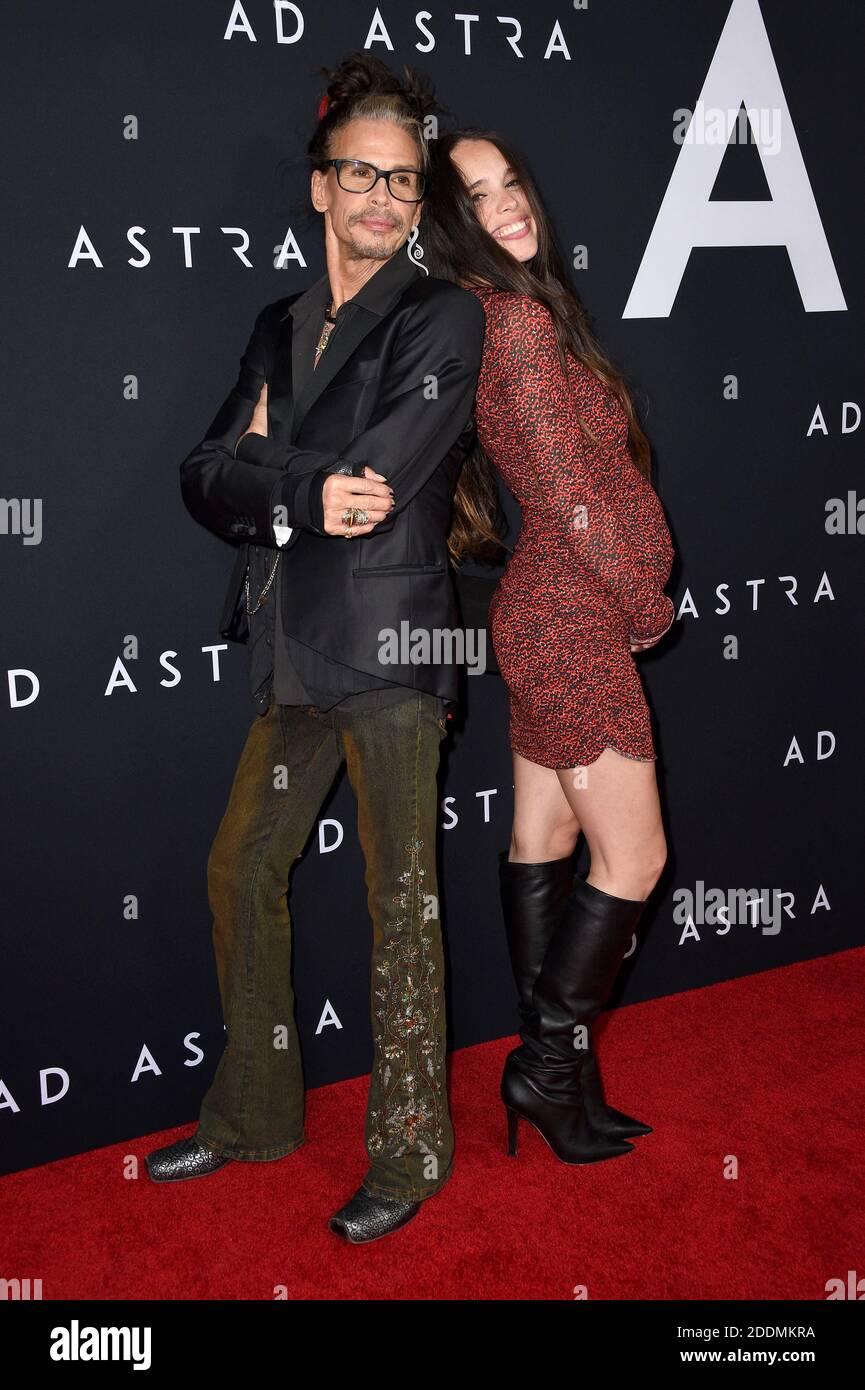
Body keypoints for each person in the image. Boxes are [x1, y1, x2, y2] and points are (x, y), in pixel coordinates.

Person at [145, 58, 487, 1244]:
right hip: (294, 644)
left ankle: (410, 1149)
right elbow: (202, 473)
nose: (385, 198)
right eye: (362, 174)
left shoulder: (442, 313)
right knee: (240, 868)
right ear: (319, 185)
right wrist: (294, 485)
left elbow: (378, 483)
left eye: (404, 178)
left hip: (393, 647)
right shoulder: (276, 325)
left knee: (399, 900)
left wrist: (267, 470)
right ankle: (253, 1116)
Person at [422, 129, 676, 1165]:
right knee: (637, 855)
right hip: (573, 618)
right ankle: (547, 1064)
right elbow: (568, 499)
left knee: (546, 846)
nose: (508, 204)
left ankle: (560, 1083)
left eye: (511, 182)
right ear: (452, 225)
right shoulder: (518, 325)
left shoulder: (513, 315)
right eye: (477, 196)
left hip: (544, 614)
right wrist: (641, 597)